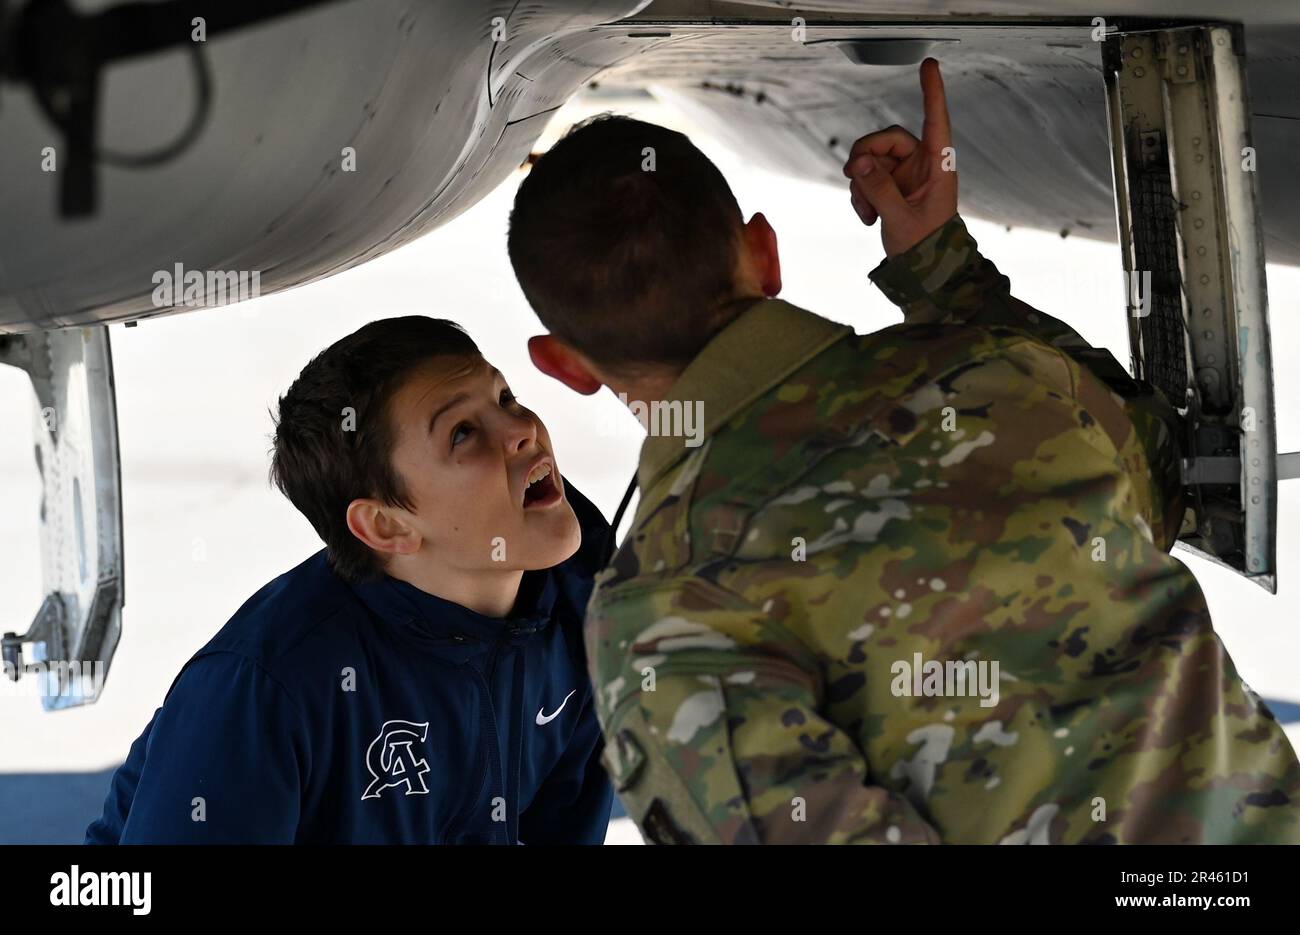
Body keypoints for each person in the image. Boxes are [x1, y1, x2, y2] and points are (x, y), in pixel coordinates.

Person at [506, 59, 1300, 843]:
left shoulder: (669, 603)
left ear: (563, 366)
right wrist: (944, 272)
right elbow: (1161, 473)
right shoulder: (996, 371)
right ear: (765, 254)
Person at [86, 317, 613, 844]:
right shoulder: (267, 687)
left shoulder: (580, 604)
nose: (521, 429)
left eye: (505, 397)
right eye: (463, 433)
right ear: (387, 525)